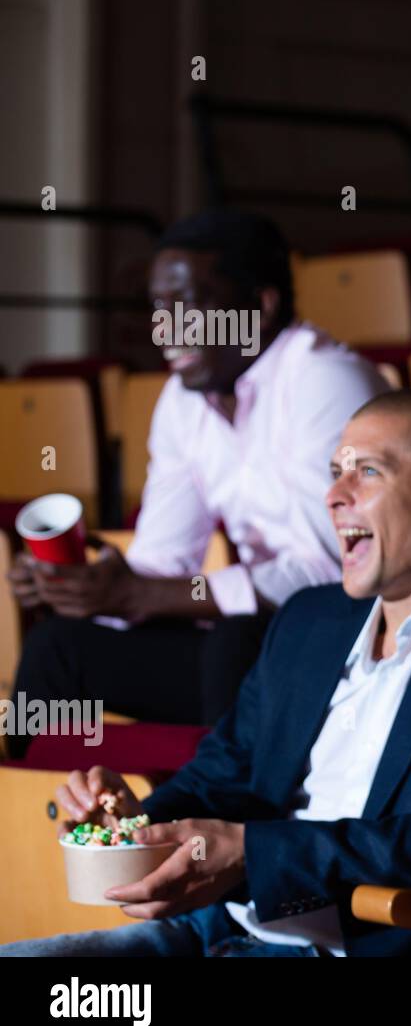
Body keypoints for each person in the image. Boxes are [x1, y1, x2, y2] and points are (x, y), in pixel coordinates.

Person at [0, 392, 411, 957]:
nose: (334, 494)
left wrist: (254, 855)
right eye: (334, 471)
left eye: (366, 472)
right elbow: (223, 773)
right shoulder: (310, 618)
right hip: (211, 930)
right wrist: (140, 822)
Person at [5, 210, 390, 737]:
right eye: (159, 307)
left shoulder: (325, 381)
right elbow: (164, 560)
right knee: (60, 647)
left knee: (236, 641)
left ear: (260, 304)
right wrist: (87, 587)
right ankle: (41, 811)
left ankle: (217, 818)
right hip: (251, 647)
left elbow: (337, 571)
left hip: (356, 641)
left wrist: (142, 594)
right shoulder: (183, 401)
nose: (166, 329)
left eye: (188, 305)